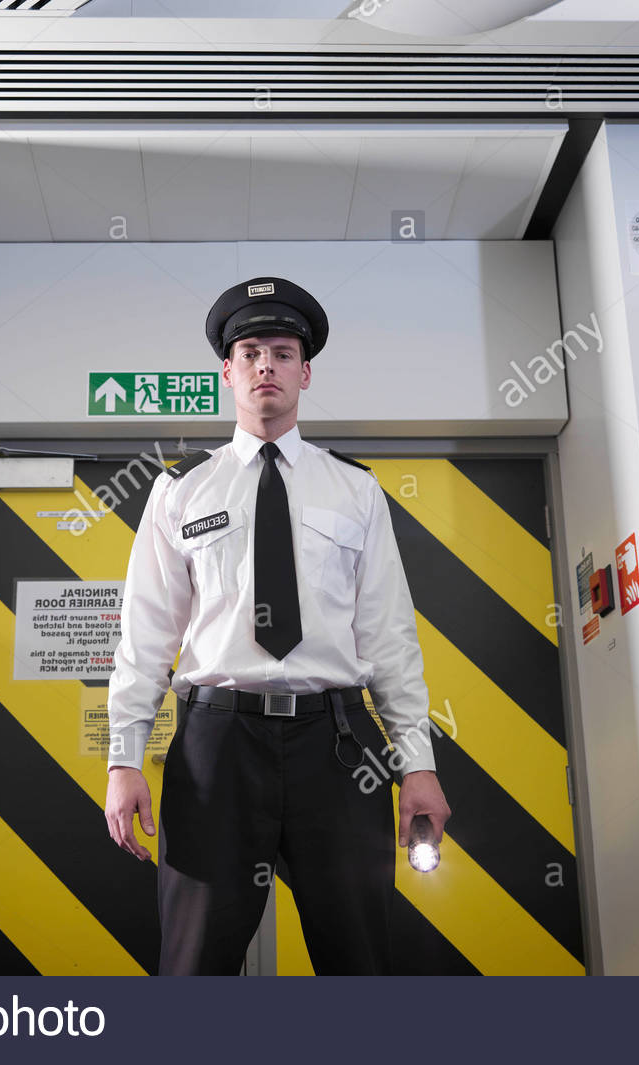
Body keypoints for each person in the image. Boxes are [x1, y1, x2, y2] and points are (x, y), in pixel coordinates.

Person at [103, 276, 451, 975]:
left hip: (338, 745)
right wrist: (122, 757)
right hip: (216, 746)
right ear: (226, 371)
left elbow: (389, 638)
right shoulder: (180, 488)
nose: (267, 365)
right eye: (251, 351)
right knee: (194, 963)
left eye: (283, 352)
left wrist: (418, 764)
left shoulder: (356, 489)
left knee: (358, 957)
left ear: (305, 371)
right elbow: (145, 636)